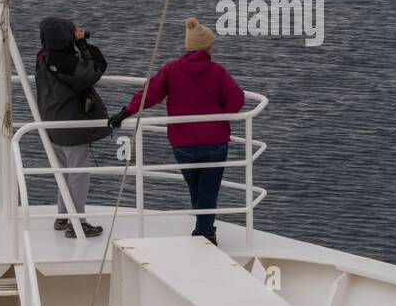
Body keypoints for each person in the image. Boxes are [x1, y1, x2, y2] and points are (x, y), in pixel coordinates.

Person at [111, 17, 244, 246]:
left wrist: (126, 111)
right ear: (207, 47)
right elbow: (236, 102)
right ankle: (204, 234)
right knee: (208, 190)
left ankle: (205, 229)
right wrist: (218, 108)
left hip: (183, 143)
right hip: (214, 142)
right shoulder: (218, 72)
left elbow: (150, 93)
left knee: (196, 189)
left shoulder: (171, 69)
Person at [35, 16, 110, 238]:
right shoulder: (64, 61)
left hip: (52, 124)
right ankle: (77, 224)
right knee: (78, 175)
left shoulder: (43, 57)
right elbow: (94, 70)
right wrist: (82, 44)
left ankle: (63, 216)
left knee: (64, 173)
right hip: (71, 127)